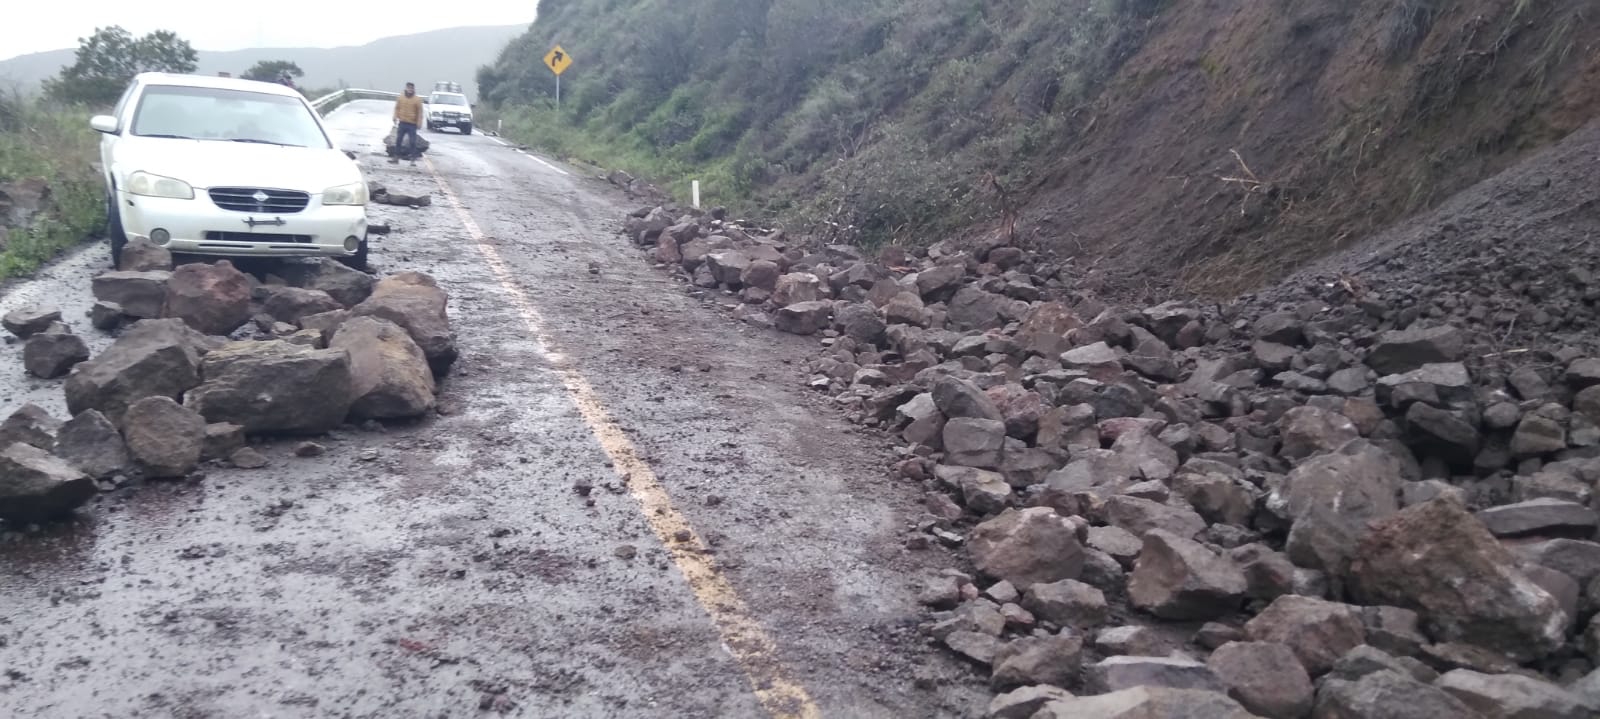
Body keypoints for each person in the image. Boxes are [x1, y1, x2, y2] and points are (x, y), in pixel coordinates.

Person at [391, 82, 424, 165]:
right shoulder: (401, 98)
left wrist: (419, 123)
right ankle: (396, 158)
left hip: (412, 124)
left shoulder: (417, 100)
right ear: (406, 88)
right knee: (398, 140)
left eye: (411, 88)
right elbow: (397, 108)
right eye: (408, 88)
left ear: (413, 89)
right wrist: (395, 117)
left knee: (412, 142)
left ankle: (413, 159)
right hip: (402, 123)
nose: (410, 90)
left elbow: (420, 112)